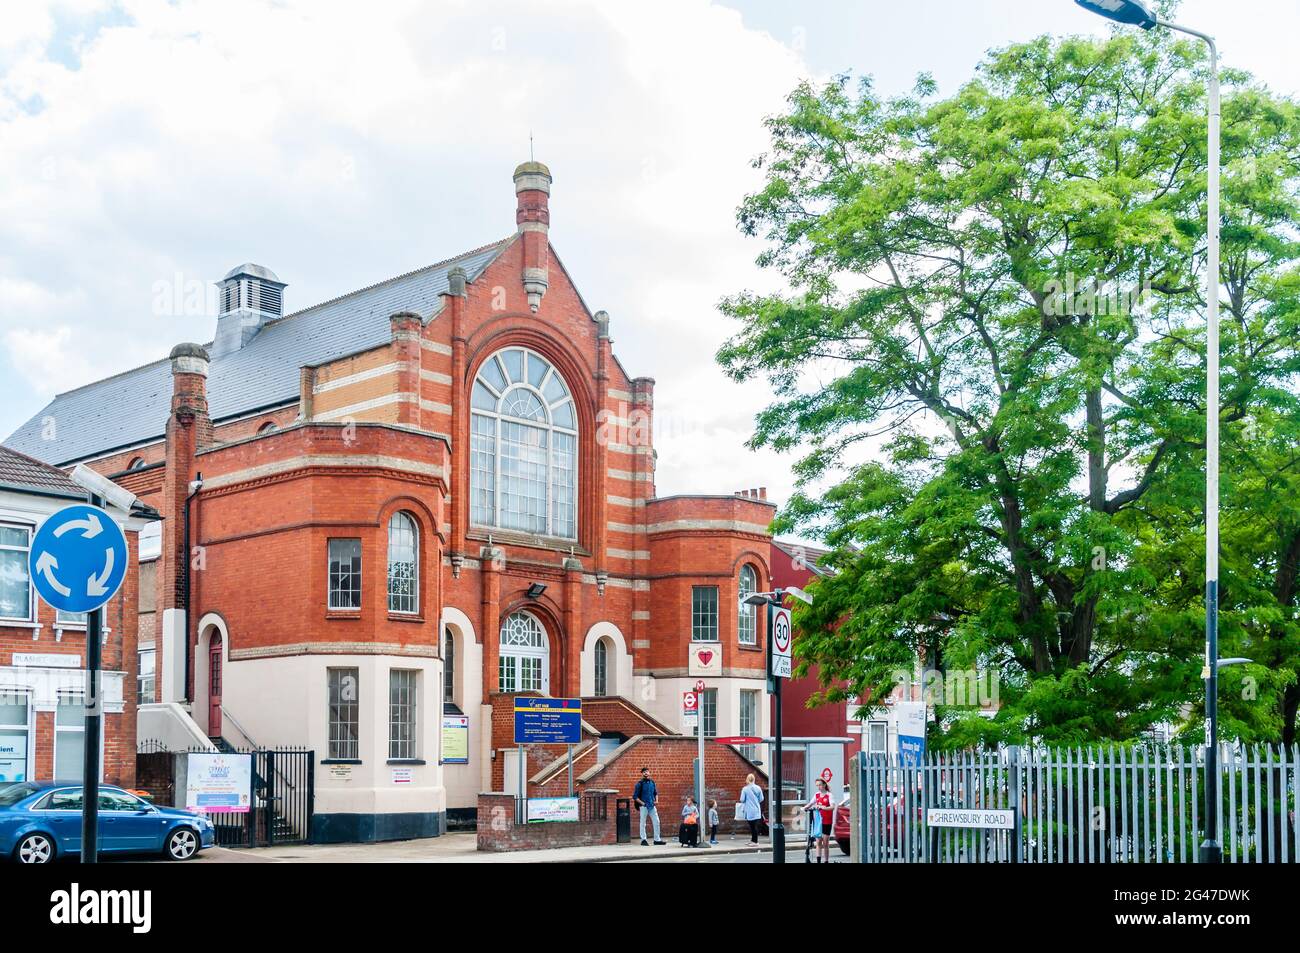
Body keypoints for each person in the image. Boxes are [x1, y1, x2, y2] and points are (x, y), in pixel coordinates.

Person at [803, 777, 833, 863]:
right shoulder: (816, 795)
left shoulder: (829, 795)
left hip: (827, 821)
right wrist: (804, 808)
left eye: (820, 785)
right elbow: (810, 803)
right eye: (817, 785)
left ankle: (826, 861)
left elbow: (832, 807)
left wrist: (823, 807)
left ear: (824, 785)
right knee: (818, 842)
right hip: (818, 822)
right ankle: (818, 861)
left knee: (825, 843)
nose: (819, 787)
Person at [633, 766, 666, 846]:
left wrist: (656, 801)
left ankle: (657, 839)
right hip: (643, 806)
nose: (646, 773)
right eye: (644, 772)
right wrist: (642, 803)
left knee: (656, 821)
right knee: (643, 823)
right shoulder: (639, 784)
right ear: (642, 774)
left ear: (649, 772)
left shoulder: (652, 782)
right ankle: (643, 839)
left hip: (652, 805)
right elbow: (635, 797)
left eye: (647, 771)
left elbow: (655, 793)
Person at [739, 773, 765, 845]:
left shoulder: (745, 789)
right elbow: (761, 799)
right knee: (754, 826)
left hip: (749, 810)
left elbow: (742, 799)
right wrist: (755, 801)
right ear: (754, 779)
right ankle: (753, 840)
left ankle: (755, 842)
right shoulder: (758, 788)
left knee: (752, 827)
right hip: (757, 810)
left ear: (747, 779)